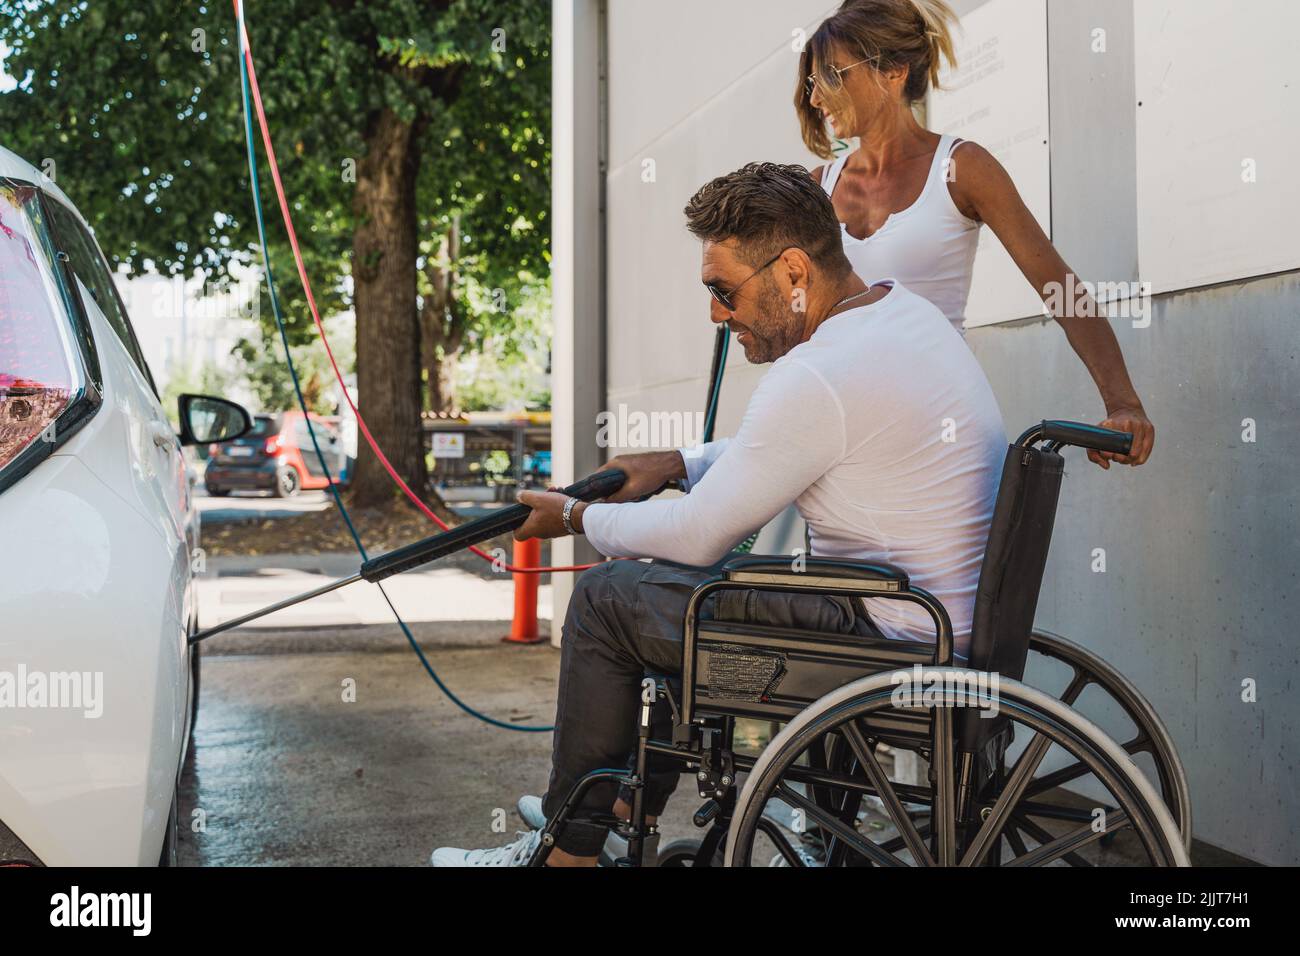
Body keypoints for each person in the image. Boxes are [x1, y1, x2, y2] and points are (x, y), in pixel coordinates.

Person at [431, 161, 1006, 867]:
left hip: (884, 641)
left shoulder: (816, 373)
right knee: (690, 600)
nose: (715, 313)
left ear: (793, 271)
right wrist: (677, 463)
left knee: (612, 600)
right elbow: (801, 443)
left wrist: (577, 517)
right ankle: (613, 808)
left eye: (722, 290)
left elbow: (700, 535)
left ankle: (569, 854)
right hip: (935, 625)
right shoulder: (899, 317)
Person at [799, 0, 1154, 469]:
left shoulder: (962, 168)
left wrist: (1122, 403)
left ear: (893, 72)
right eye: (811, 83)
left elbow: (1059, 288)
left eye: (832, 76)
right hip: (842, 439)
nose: (817, 98)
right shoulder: (815, 188)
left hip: (938, 429)